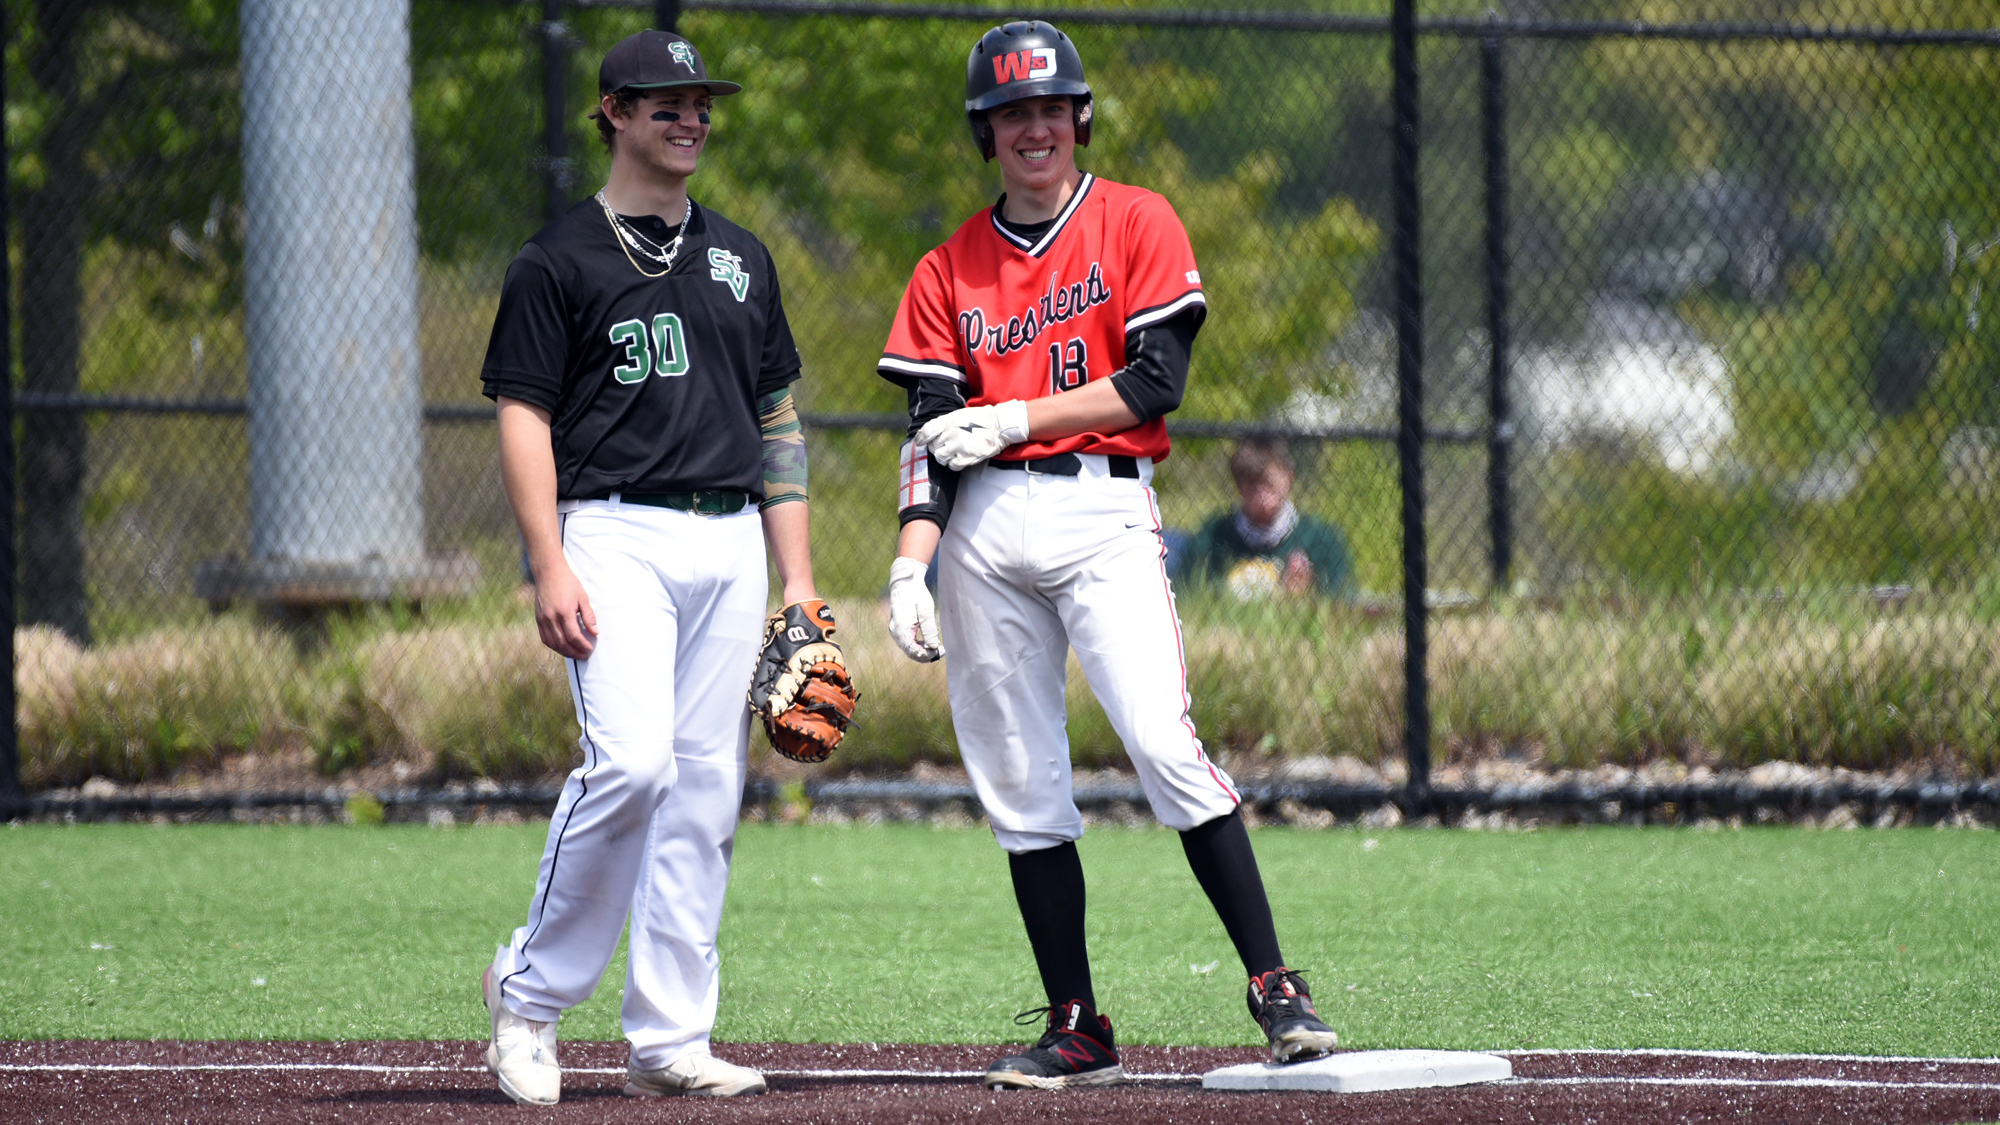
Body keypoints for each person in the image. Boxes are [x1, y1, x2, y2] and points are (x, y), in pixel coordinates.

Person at [877, 20, 1339, 1091]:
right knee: (1019, 779)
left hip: (1102, 507)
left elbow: (1153, 381)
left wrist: (1015, 417)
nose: (1033, 129)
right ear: (984, 132)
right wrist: (909, 562)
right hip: (982, 531)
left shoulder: (1135, 219)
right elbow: (930, 438)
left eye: (1050, 108)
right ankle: (1076, 1021)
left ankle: (1275, 985)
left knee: (1163, 744)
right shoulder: (947, 267)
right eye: (1011, 114)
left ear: (1078, 118)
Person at [475, 29, 816, 1104]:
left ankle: (670, 1037)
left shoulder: (741, 257)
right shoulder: (557, 260)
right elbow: (523, 415)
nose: (690, 118)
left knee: (705, 792)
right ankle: (527, 997)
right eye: (665, 102)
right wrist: (546, 561)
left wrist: (800, 582)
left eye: (700, 103)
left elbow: (777, 419)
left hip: (730, 537)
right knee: (631, 767)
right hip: (612, 533)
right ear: (613, 114)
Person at [1182, 439, 1356, 600]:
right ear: (1237, 483)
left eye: (1268, 481)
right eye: (1251, 481)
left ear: (1289, 476)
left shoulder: (1320, 539)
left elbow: (1340, 603)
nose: (1261, 491)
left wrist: (1300, 598)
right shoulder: (1213, 537)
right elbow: (1186, 596)